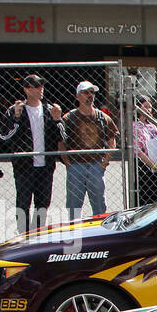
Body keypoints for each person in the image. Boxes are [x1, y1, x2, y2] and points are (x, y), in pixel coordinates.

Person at [0, 73, 64, 234]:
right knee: (23, 203)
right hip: (24, 166)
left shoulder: (49, 109)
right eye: (36, 86)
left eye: (42, 85)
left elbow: (61, 137)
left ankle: (38, 235)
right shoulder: (15, 110)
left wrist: (57, 119)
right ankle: (23, 237)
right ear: (26, 89)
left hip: (45, 166)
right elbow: (3, 136)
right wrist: (16, 119)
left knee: (43, 203)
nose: (41, 89)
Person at [59, 81, 119, 217]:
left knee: (99, 206)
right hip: (76, 166)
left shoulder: (103, 117)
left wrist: (104, 164)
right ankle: (74, 235)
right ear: (78, 96)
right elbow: (61, 142)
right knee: (74, 206)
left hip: (96, 165)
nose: (90, 95)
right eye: (86, 92)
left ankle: (100, 234)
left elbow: (112, 142)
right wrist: (67, 163)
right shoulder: (69, 118)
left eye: (92, 92)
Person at [132, 96, 157, 205]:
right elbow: (138, 150)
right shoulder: (135, 126)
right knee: (144, 198)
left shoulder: (152, 126)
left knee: (155, 198)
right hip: (144, 167)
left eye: (150, 107)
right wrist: (153, 165)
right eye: (145, 107)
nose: (148, 110)